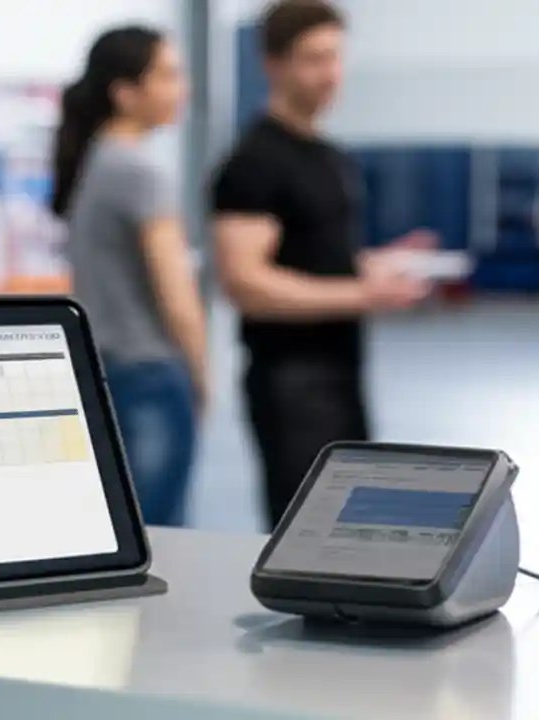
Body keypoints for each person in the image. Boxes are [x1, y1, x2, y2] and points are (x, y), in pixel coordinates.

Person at [211, 0, 433, 528]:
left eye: (335, 57)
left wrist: (376, 265)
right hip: (290, 381)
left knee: (351, 528)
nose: (330, 74)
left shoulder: (329, 156)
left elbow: (317, 255)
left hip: (343, 370)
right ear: (273, 64)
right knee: (307, 530)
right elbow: (246, 282)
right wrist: (363, 294)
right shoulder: (254, 163)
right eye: (313, 59)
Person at [52, 26, 206, 527]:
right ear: (125, 92)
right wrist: (202, 378)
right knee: (160, 534)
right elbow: (177, 298)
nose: (181, 89)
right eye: (167, 76)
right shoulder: (140, 172)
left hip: (106, 368)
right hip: (150, 372)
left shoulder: (98, 159)